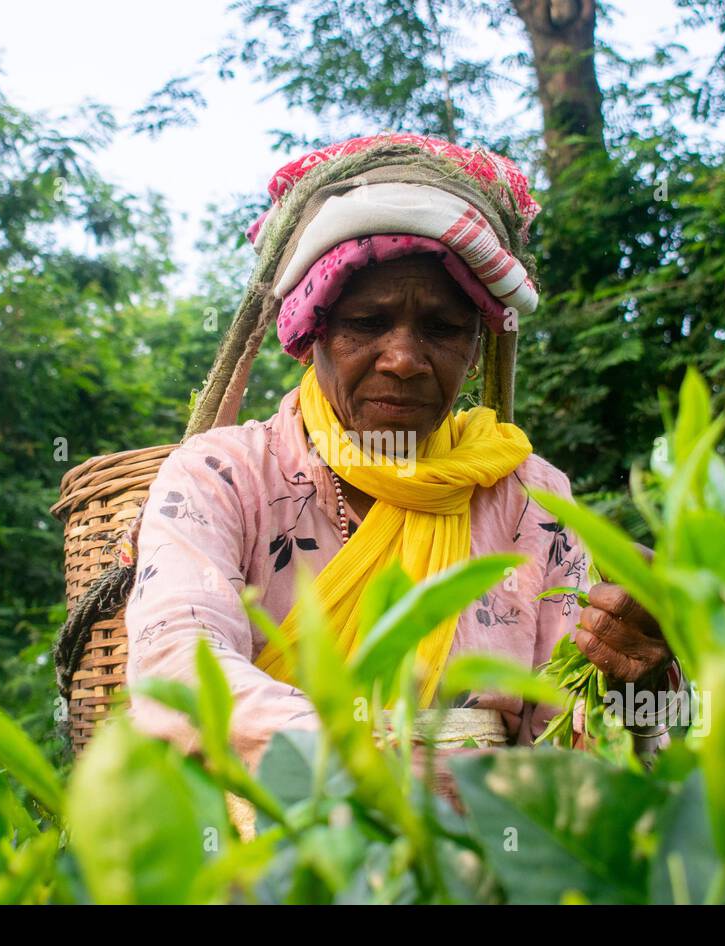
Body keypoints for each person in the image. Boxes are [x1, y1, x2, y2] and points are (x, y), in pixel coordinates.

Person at [124, 133, 677, 776]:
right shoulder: (224, 476)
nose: (405, 360)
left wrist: (634, 673)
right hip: (266, 854)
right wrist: (378, 773)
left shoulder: (530, 499)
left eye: (442, 329)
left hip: (487, 861)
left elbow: (576, 752)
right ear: (313, 332)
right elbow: (180, 676)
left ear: (475, 348)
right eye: (367, 323)